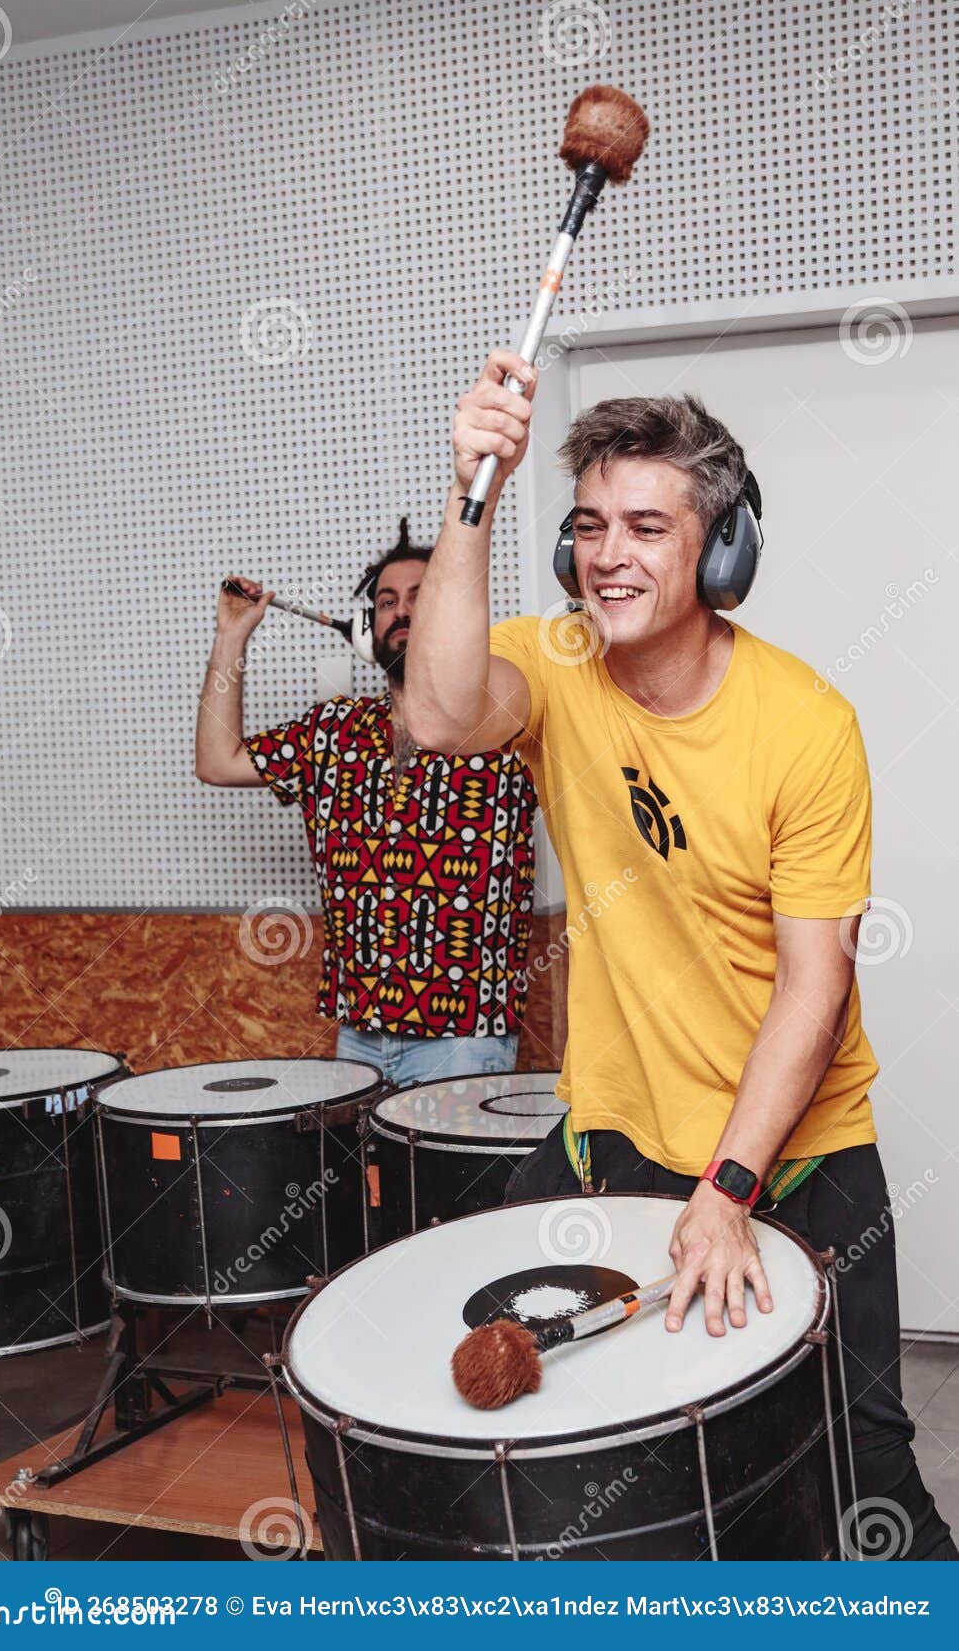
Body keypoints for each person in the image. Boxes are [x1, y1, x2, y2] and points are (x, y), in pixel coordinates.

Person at [402, 349, 955, 1560]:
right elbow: (436, 714)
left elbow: (813, 988)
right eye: (589, 526)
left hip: (794, 1160)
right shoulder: (551, 668)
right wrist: (471, 495)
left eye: (648, 527)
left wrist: (728, 1188)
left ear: (720, 553)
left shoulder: (803, 727)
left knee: (855, 1460)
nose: (608, 554)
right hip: (606, 1132)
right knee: (549, 1432)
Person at [194, 520, 536, 1088]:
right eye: (386, 601)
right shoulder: (334, 730)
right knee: (364, 1182)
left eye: (421, 598)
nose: (400, 611)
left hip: (465, 1040)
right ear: (370, 624)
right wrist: (232, 637)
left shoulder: (503, 723)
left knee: (448, 1183)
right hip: (359, 1035)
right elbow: (217, 761)